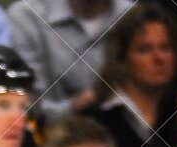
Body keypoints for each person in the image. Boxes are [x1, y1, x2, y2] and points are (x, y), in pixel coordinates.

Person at [7, 0, 135, 121]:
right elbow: (29, 107)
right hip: (50, 136)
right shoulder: (27, 16)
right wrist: (81, 103)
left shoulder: (132, 15)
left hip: (128, 132)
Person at [90, 2, 177, 147]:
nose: (159, 58)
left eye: (165, 48)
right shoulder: (96, 120)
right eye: (145, 49)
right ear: (122, 59)